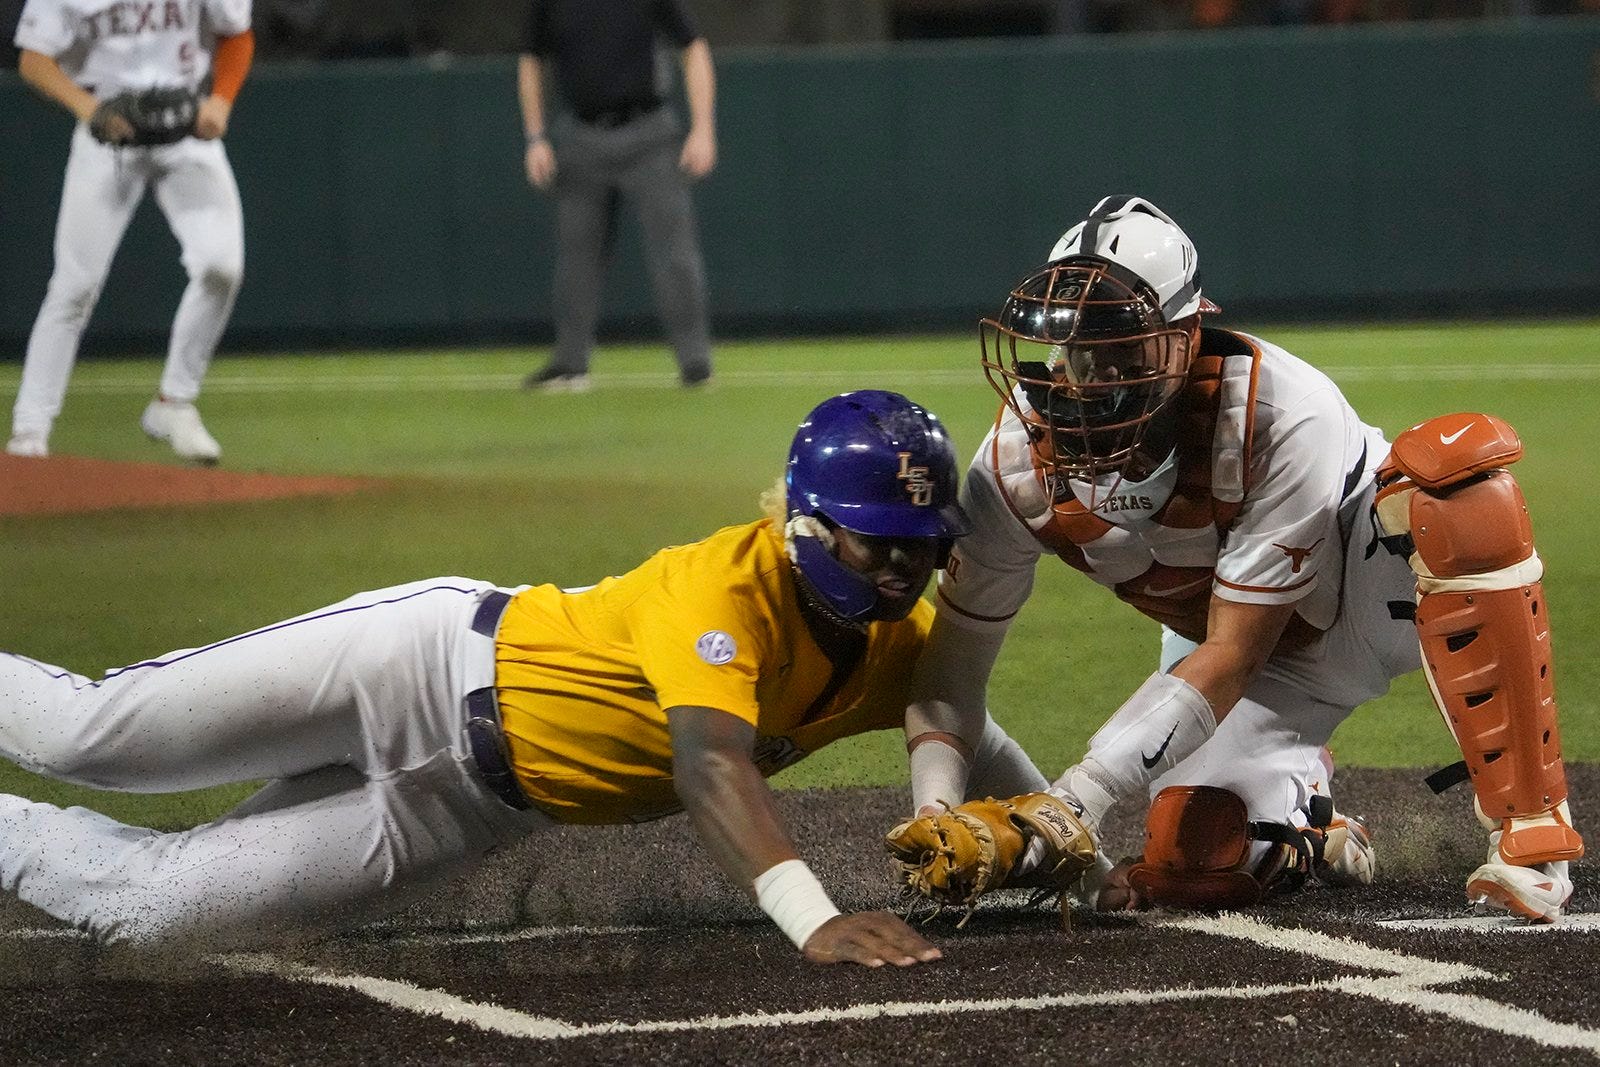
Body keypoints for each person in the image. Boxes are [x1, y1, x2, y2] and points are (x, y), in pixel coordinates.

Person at [0, 390, 1048, 964]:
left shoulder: (900, 638)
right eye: (883, 542)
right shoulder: (723, 587)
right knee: (92, 737)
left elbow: (964, 724)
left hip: (466, 810)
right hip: (409, 666)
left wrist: (1061, 837)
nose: (911, 563)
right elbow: (710, 763)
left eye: (923, 539)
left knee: (151, 908)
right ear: (808, 528)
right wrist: (813, 915)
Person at [896, 195, 1582, 922]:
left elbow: (1232, 652)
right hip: (1254, 660)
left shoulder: (1278, 412)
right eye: (1077, 347)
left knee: (1464, 499)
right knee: (1191, 860)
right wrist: (934, 810)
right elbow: (950, 677)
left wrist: (1073, 799)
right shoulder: (1012, 468)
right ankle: (1305, 825)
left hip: (1371, 584)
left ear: (1188, 334)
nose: (1091, 373)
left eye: (1122, 345)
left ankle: (1533, 828)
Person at [6, 0, 254, 463]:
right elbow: (33, 60)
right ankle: (30, 431)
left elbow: (236, 32)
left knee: (222, 267)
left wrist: (221, 99)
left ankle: (174, 403)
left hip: (183, 130)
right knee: (74, 286)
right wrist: (88, 108)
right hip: (108, 138)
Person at [515, 0, 716, 393]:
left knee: (674, 255)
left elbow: (693, 47)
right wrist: (535, 137)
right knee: (576, 259)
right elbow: (530, 60)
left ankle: (695, 364)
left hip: (649, 132)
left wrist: (703, 128)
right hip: (582, 135)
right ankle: (571, 364)